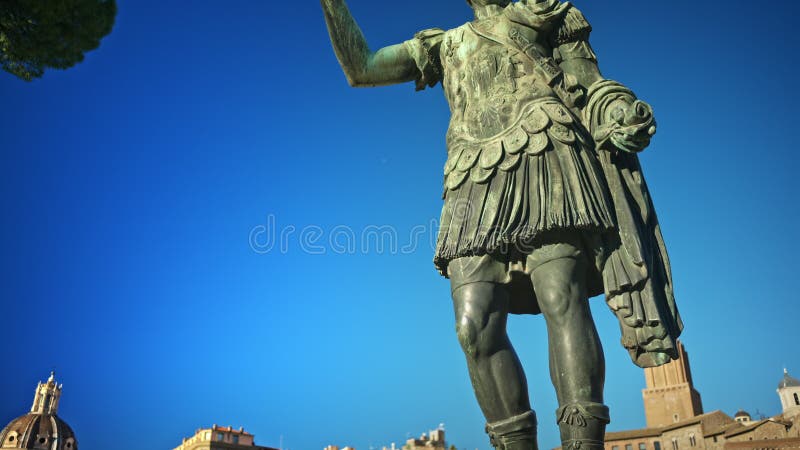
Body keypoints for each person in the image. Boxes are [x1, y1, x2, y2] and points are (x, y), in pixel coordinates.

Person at [320, 1, 683, 449]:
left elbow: (590, 85)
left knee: (561, 298)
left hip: (546, 151)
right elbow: (363, 66)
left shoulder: (546, 14)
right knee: (473, 328)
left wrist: (616, 110)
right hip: (472, 176)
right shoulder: (442, 45)